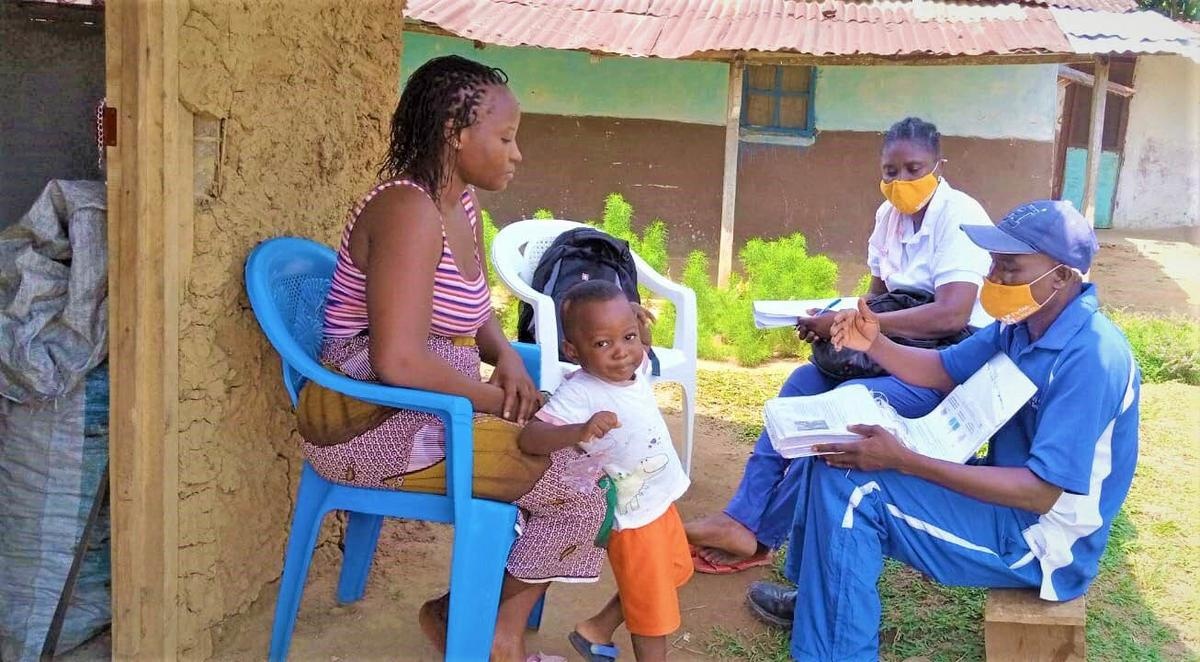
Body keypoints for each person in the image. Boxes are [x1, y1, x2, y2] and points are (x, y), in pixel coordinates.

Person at [298, 55, 608, 662]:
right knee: (577, 481)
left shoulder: (460, 204)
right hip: (373, 420)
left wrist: (507, 361)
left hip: (433, 409)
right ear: (455, 134)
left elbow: (473, 313)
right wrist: (500, 401)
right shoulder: (408, 211)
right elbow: (398, 362)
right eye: (506, 137)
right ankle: (492, 634)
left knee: (588, 460)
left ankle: (484, 624)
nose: (517, 154)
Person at [746, 200, 1140, 661]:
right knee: (835, 454)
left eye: (1009, 268)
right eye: (993, 263)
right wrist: (874, 341)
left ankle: (835, 647)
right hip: (1005, 499)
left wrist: (906, 461)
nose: (994, 278)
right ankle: (818, 600)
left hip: (1041, 541)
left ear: (1063, 277)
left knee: (857, 491)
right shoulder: (1022, 324)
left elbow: (1040, 492)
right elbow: (943, 368)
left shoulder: (1092, 356)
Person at [686, 117, 995, 573]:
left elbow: (951, 313)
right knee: (798, 388)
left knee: (840, 413)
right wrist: (831, 323)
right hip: (889, 348)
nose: (901, 181)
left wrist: (859, 326)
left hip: (941, 361)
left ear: (938, 165)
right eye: (891, 171)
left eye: (914, 169)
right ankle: (741, 517)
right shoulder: (888, 217)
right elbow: (875, 294)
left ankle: (760, 537)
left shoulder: (959, 216)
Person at [519, 281, 692, 662]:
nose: (621, 352)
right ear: (573, 351)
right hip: (631, 517)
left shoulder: (636, 367)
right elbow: (531, 437)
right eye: (602, 344)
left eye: (628, 337)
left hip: (660, 500)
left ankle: (595, 629)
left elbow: (640, 346)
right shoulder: (582, 393)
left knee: (673, 572)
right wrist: (578, 431)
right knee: (653, 612)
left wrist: (638, 325)